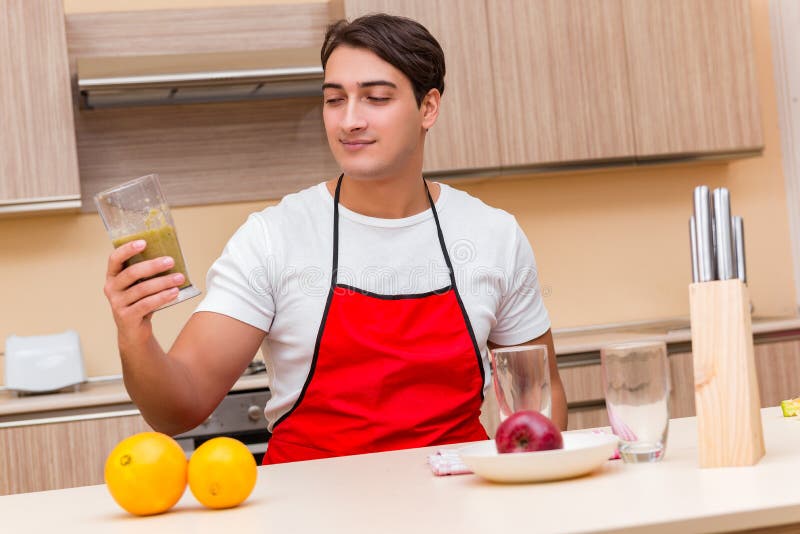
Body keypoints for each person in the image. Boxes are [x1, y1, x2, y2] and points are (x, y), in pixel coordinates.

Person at [103, 13, 567, 465]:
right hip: (310, 509)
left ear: (428, 108)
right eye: (334, 99)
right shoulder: (273, 238)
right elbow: (177, 408)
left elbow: (536, 400)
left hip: (458, 500)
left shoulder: (493, 235)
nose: (349, 121)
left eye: (376, 98)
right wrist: (134, 335)